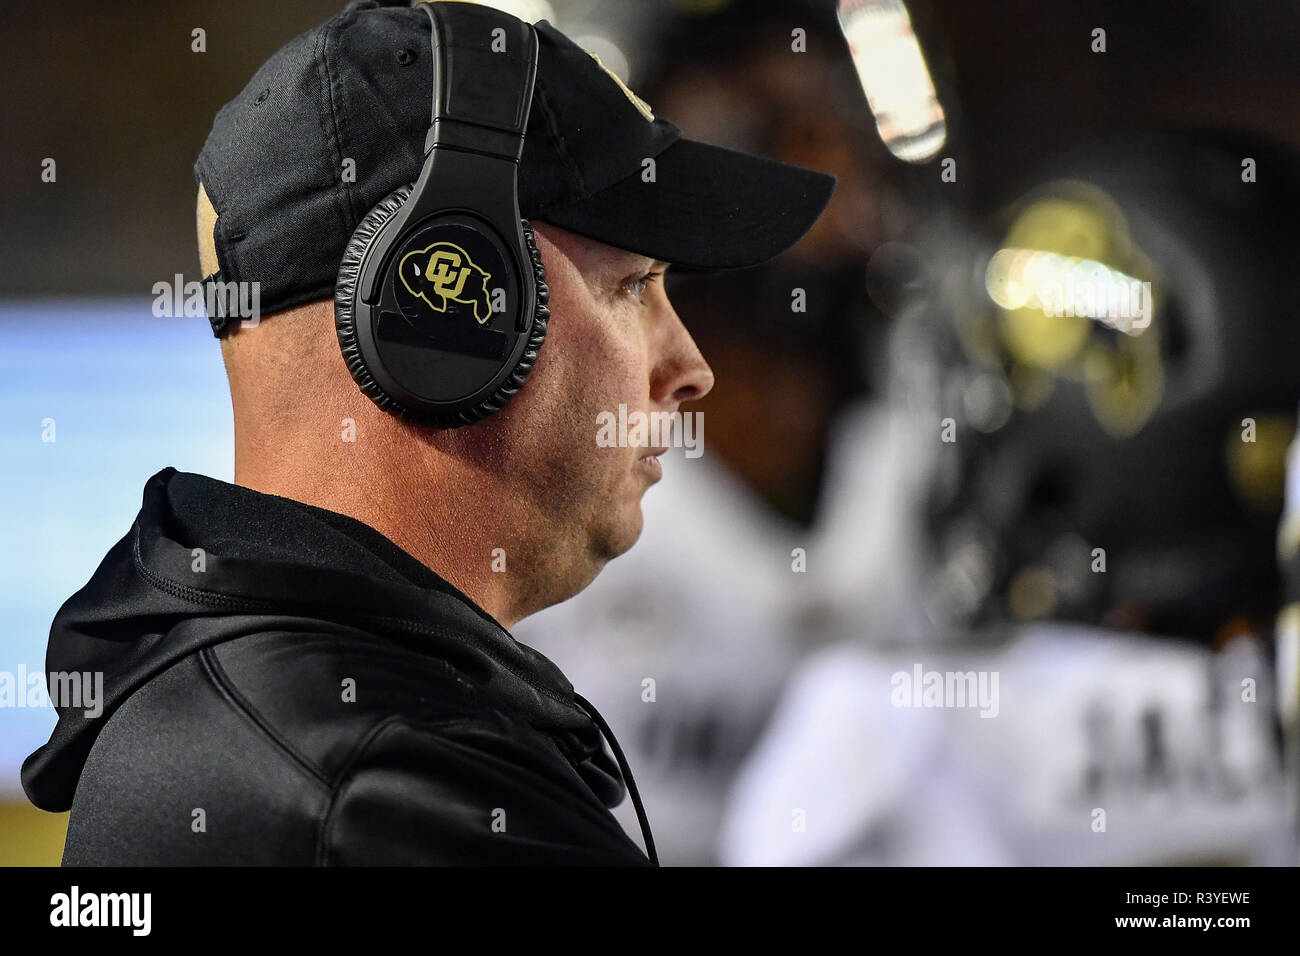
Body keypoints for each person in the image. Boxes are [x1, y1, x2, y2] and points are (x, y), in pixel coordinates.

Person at [20, 0, 834, 866]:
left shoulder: (251, 716)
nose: (690, 367)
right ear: (443, 317)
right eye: (633, 285)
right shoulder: (393, 793)